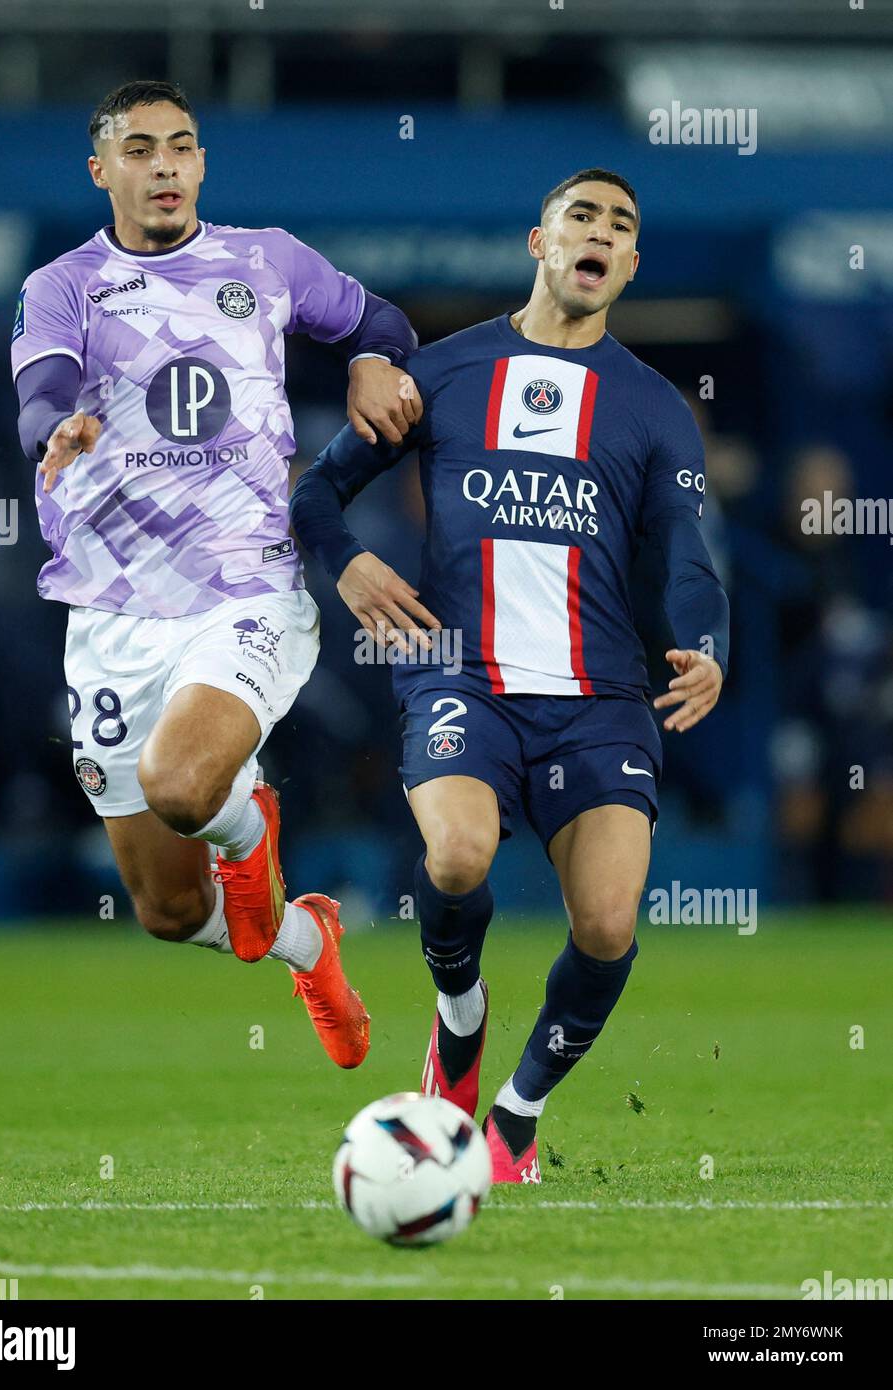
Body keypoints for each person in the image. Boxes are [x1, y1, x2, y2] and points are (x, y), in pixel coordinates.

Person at [291, 170, 730, 1175]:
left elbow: (686, 556)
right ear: (542, 240)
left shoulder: (655, 409)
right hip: (462, 676)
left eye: (621, 225)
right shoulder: (441, 372)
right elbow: (319, 489)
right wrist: (350, 563)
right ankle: (459, 1018)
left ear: (628, 264)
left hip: (600, 699)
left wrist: (708, 645)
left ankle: (517, 1115)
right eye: (583, 215)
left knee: (609, 922)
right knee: (454, 859)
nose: (601, 233)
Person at [11, 79, 423, 1070]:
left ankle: (250, 824)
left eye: (182, 147)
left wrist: (372, 355)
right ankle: (307, 940)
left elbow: (386, 324)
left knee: (187, 785)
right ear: (102, 169)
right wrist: (58, 429)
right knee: (168, 908)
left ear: (200, 163)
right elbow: (41, 392)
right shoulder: (62, 284)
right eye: (140, 148)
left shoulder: (265, 261)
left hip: (247, 588)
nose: (164, 166)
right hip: (111, 612)